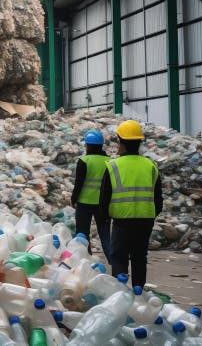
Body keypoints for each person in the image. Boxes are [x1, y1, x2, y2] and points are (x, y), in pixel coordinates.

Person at [99, 120, 163, 288]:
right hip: (145, 220)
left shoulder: (114, 166)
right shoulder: (151, 165)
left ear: (122, 142)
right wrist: (150, 214)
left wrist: (105, 217)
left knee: (119, 258)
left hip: (122, 221)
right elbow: (158, 199)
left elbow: (104, 198)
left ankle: (120, 295)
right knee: (139, 258)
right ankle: (138, 294)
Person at [71, 130, 111, 258]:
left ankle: (85, 261)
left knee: (82, 234)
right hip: (103, 205)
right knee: (105, 234)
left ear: (87, 145)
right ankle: (115, 264)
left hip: (84, 203)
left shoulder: (84, 160)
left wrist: (74, 199)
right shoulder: (110, 162)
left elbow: (79, 183)